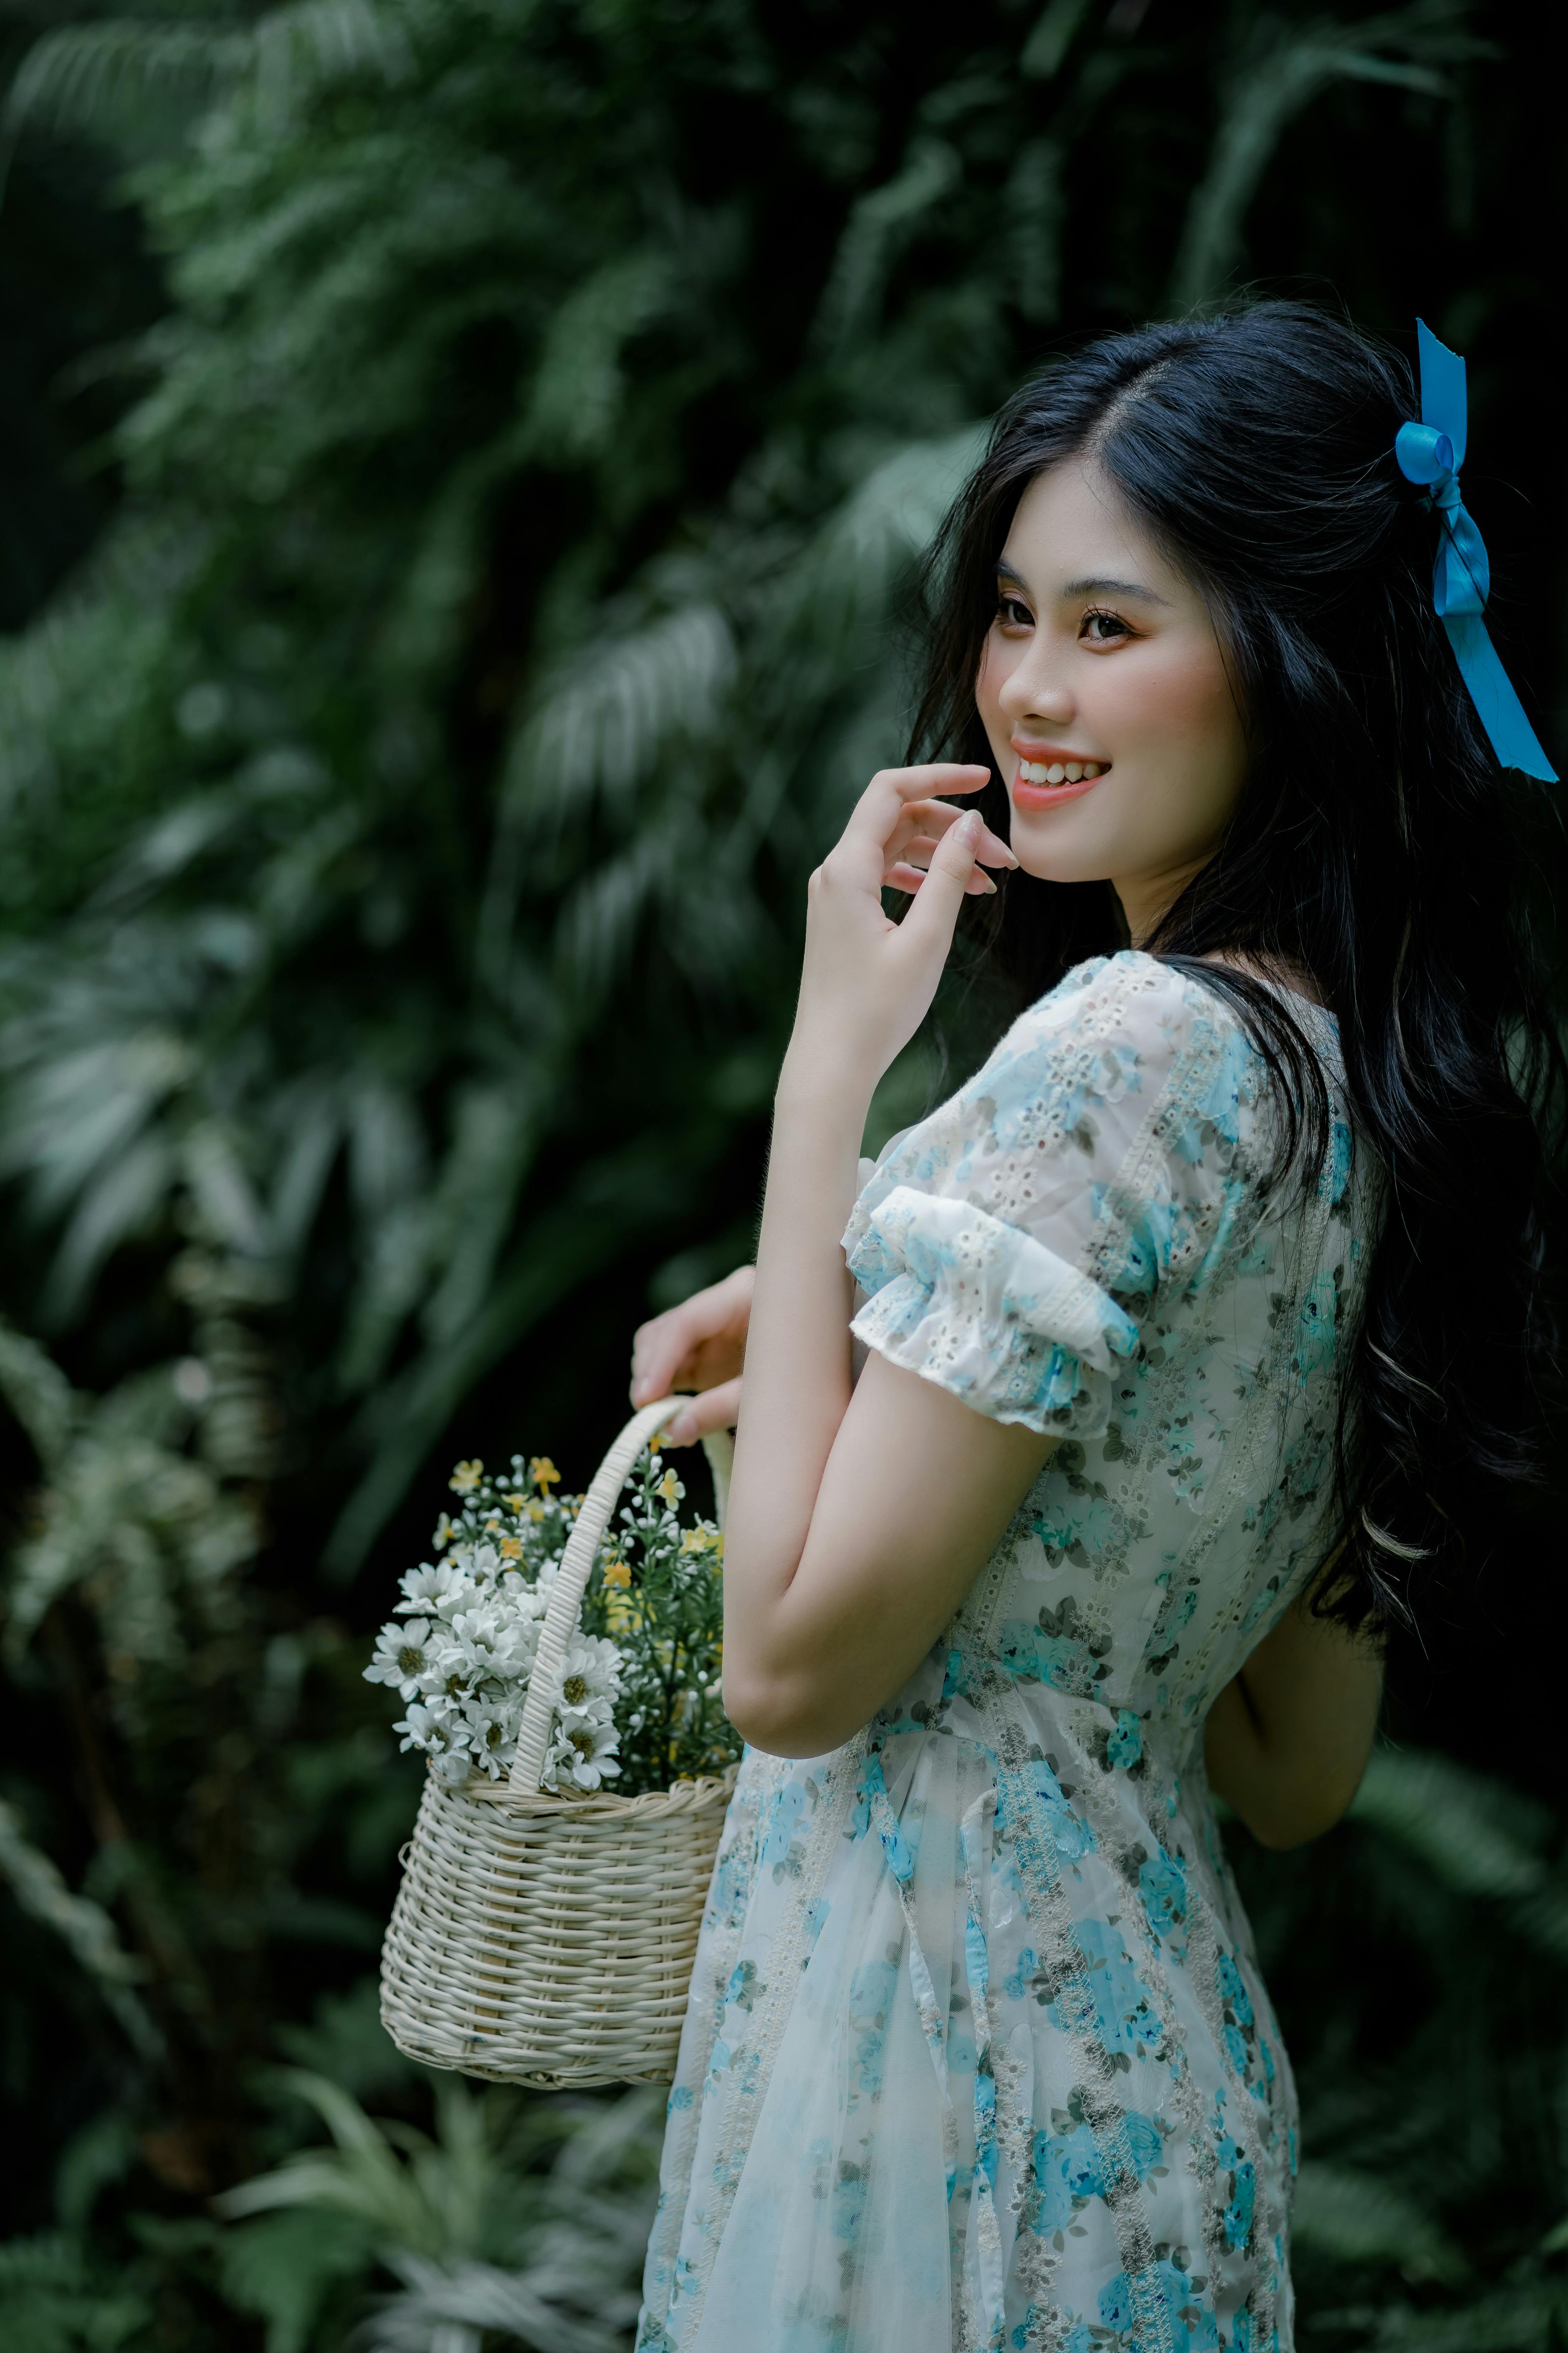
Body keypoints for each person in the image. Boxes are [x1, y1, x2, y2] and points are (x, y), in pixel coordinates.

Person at [626, 304, 1559, 2352]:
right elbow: (1298, 1764)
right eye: (1015, 612)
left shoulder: (1116, 1063)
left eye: (1114, 628)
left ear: (1296, 662)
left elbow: (792, 1664)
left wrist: (821, 1085)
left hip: (928, 2068)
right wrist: (854, 1338)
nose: (1030, 688)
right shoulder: (1346, 1079)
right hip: (1154, 2099)